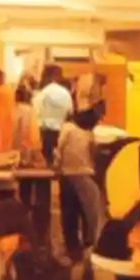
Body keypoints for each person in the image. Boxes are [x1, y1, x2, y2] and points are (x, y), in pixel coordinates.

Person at [56, 108, 104, 260]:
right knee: (89, 212)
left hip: (67, 174)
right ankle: (89, 244)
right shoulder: (86, 133)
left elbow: (59, 150)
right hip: (84, 175)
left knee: (69, 212)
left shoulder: (68, 128)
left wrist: (57, 167)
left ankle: (72, 247)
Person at [36, 64, 74, 163]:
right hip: (61, 131)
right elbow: (70, 111)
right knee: (58, 161)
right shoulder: (65, 92)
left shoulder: (42, 93)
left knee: (45, 160)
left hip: (43, 131)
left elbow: (36, 111)